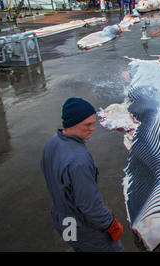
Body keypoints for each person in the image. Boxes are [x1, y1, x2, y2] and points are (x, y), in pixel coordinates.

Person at [41, 97, 124, 252]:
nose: (92, 128)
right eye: (87, 125)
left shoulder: (51, 143)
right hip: (83, 227)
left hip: (63, 221)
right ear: (72, 123)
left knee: (77, 245)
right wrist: (110, 225)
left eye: (92, 123)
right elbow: (90, 207)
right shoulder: (79, 161)